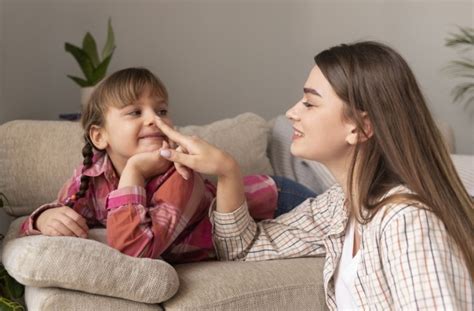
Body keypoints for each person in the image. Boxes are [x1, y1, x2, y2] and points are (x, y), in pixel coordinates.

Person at [154, 42, 473, 309]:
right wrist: (227, 172)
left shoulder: (407, 221)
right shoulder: (341, 206)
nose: (293, 111)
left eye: (310, 102)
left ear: (360, 127)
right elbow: (242, 249)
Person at [19, 67, 314, 264]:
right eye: (135, 112)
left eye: (161, 110)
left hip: (275, 201)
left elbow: (137, 249)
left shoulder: (180, 173)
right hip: (262, 208)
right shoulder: (90, 177)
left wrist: (133, 171)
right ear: (99, 135)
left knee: (349, 218)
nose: (154, 120)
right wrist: (43, 219)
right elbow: (49, 218)